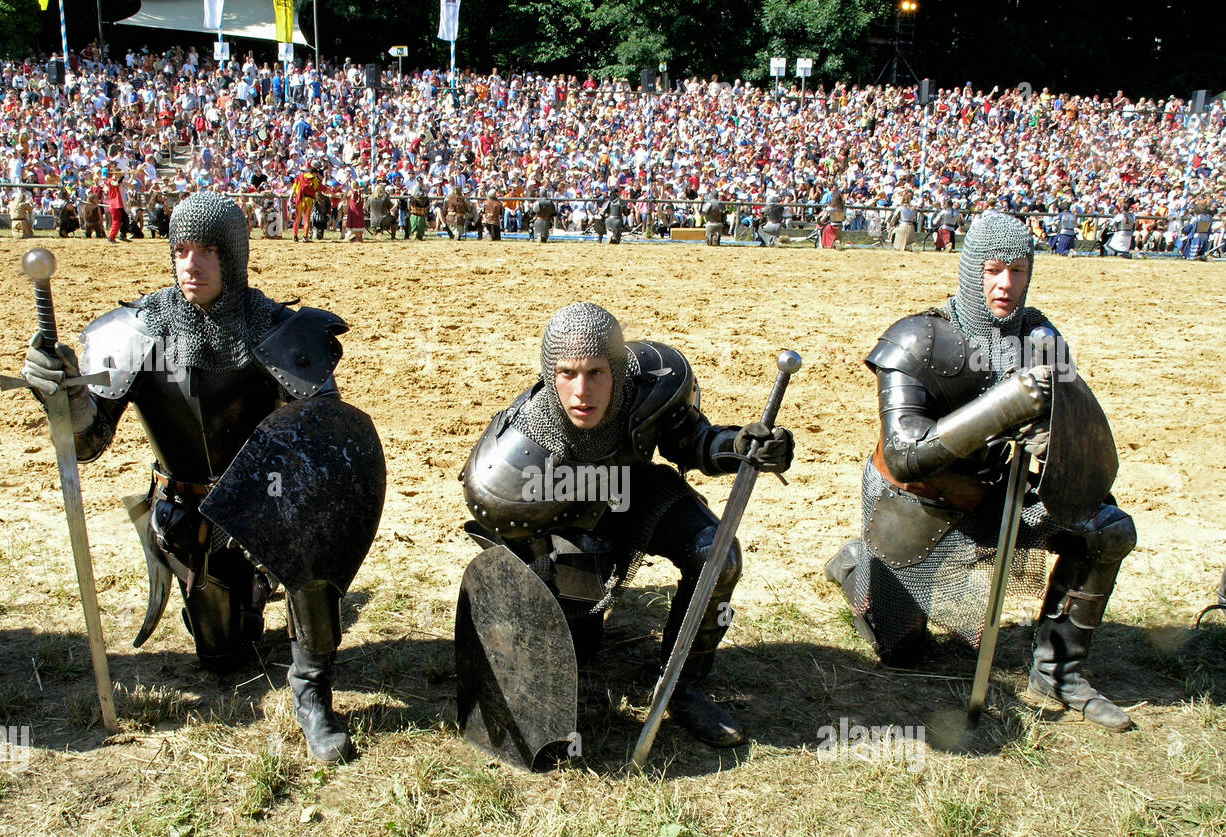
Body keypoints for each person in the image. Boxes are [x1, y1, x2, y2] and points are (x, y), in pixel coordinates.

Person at [20, 192, 376, 762]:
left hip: (266, 504)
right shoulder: (132, 333)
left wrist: (300, 515)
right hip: (188, 513)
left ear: (234, 256)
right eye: (182, 249)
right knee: (222, 656)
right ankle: (243, 594)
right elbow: (88, 445)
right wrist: (64, 394)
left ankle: (312, 688)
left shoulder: (277, 331)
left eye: (209, 250)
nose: (193, 264)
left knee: (313, 526)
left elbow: (324, 441)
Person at [825, 212, 1137, 731]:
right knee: (903, 650)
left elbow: (1077, 445)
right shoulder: (916, 341)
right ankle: (857, 566)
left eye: (1017, 271)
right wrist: (1006, 404)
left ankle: (1058, 670)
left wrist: (1053, 444)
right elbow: (904, 454)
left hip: (998, 499)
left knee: (1107, 531)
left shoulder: (1040, 339)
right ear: (972, 270)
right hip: (917, 507)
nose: (1005, 284)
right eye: (994, 269)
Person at [460, 303, 794, 748]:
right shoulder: (523, 443)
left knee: (717, 554)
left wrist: (739, 446)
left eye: (597, 372)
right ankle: (578, 623)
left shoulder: (654, 385)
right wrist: (559, 583)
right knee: (581, 640)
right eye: (567, 373)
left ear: (620, 369)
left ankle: (683, 687)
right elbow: (510, 529)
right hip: (570, 520)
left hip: (634, 490)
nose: (582, 390)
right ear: (549, 374)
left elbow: (692, 441)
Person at [291, 163, 323, 242]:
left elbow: (294, 188)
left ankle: (295, 235)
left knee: (297, 218)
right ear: (314, 173)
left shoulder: (300, 177)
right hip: (308, 201)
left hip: (300, 199)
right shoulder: (315, 180)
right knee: (306, 219)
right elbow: (323, 188)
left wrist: (290, 198)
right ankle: (305, 237)